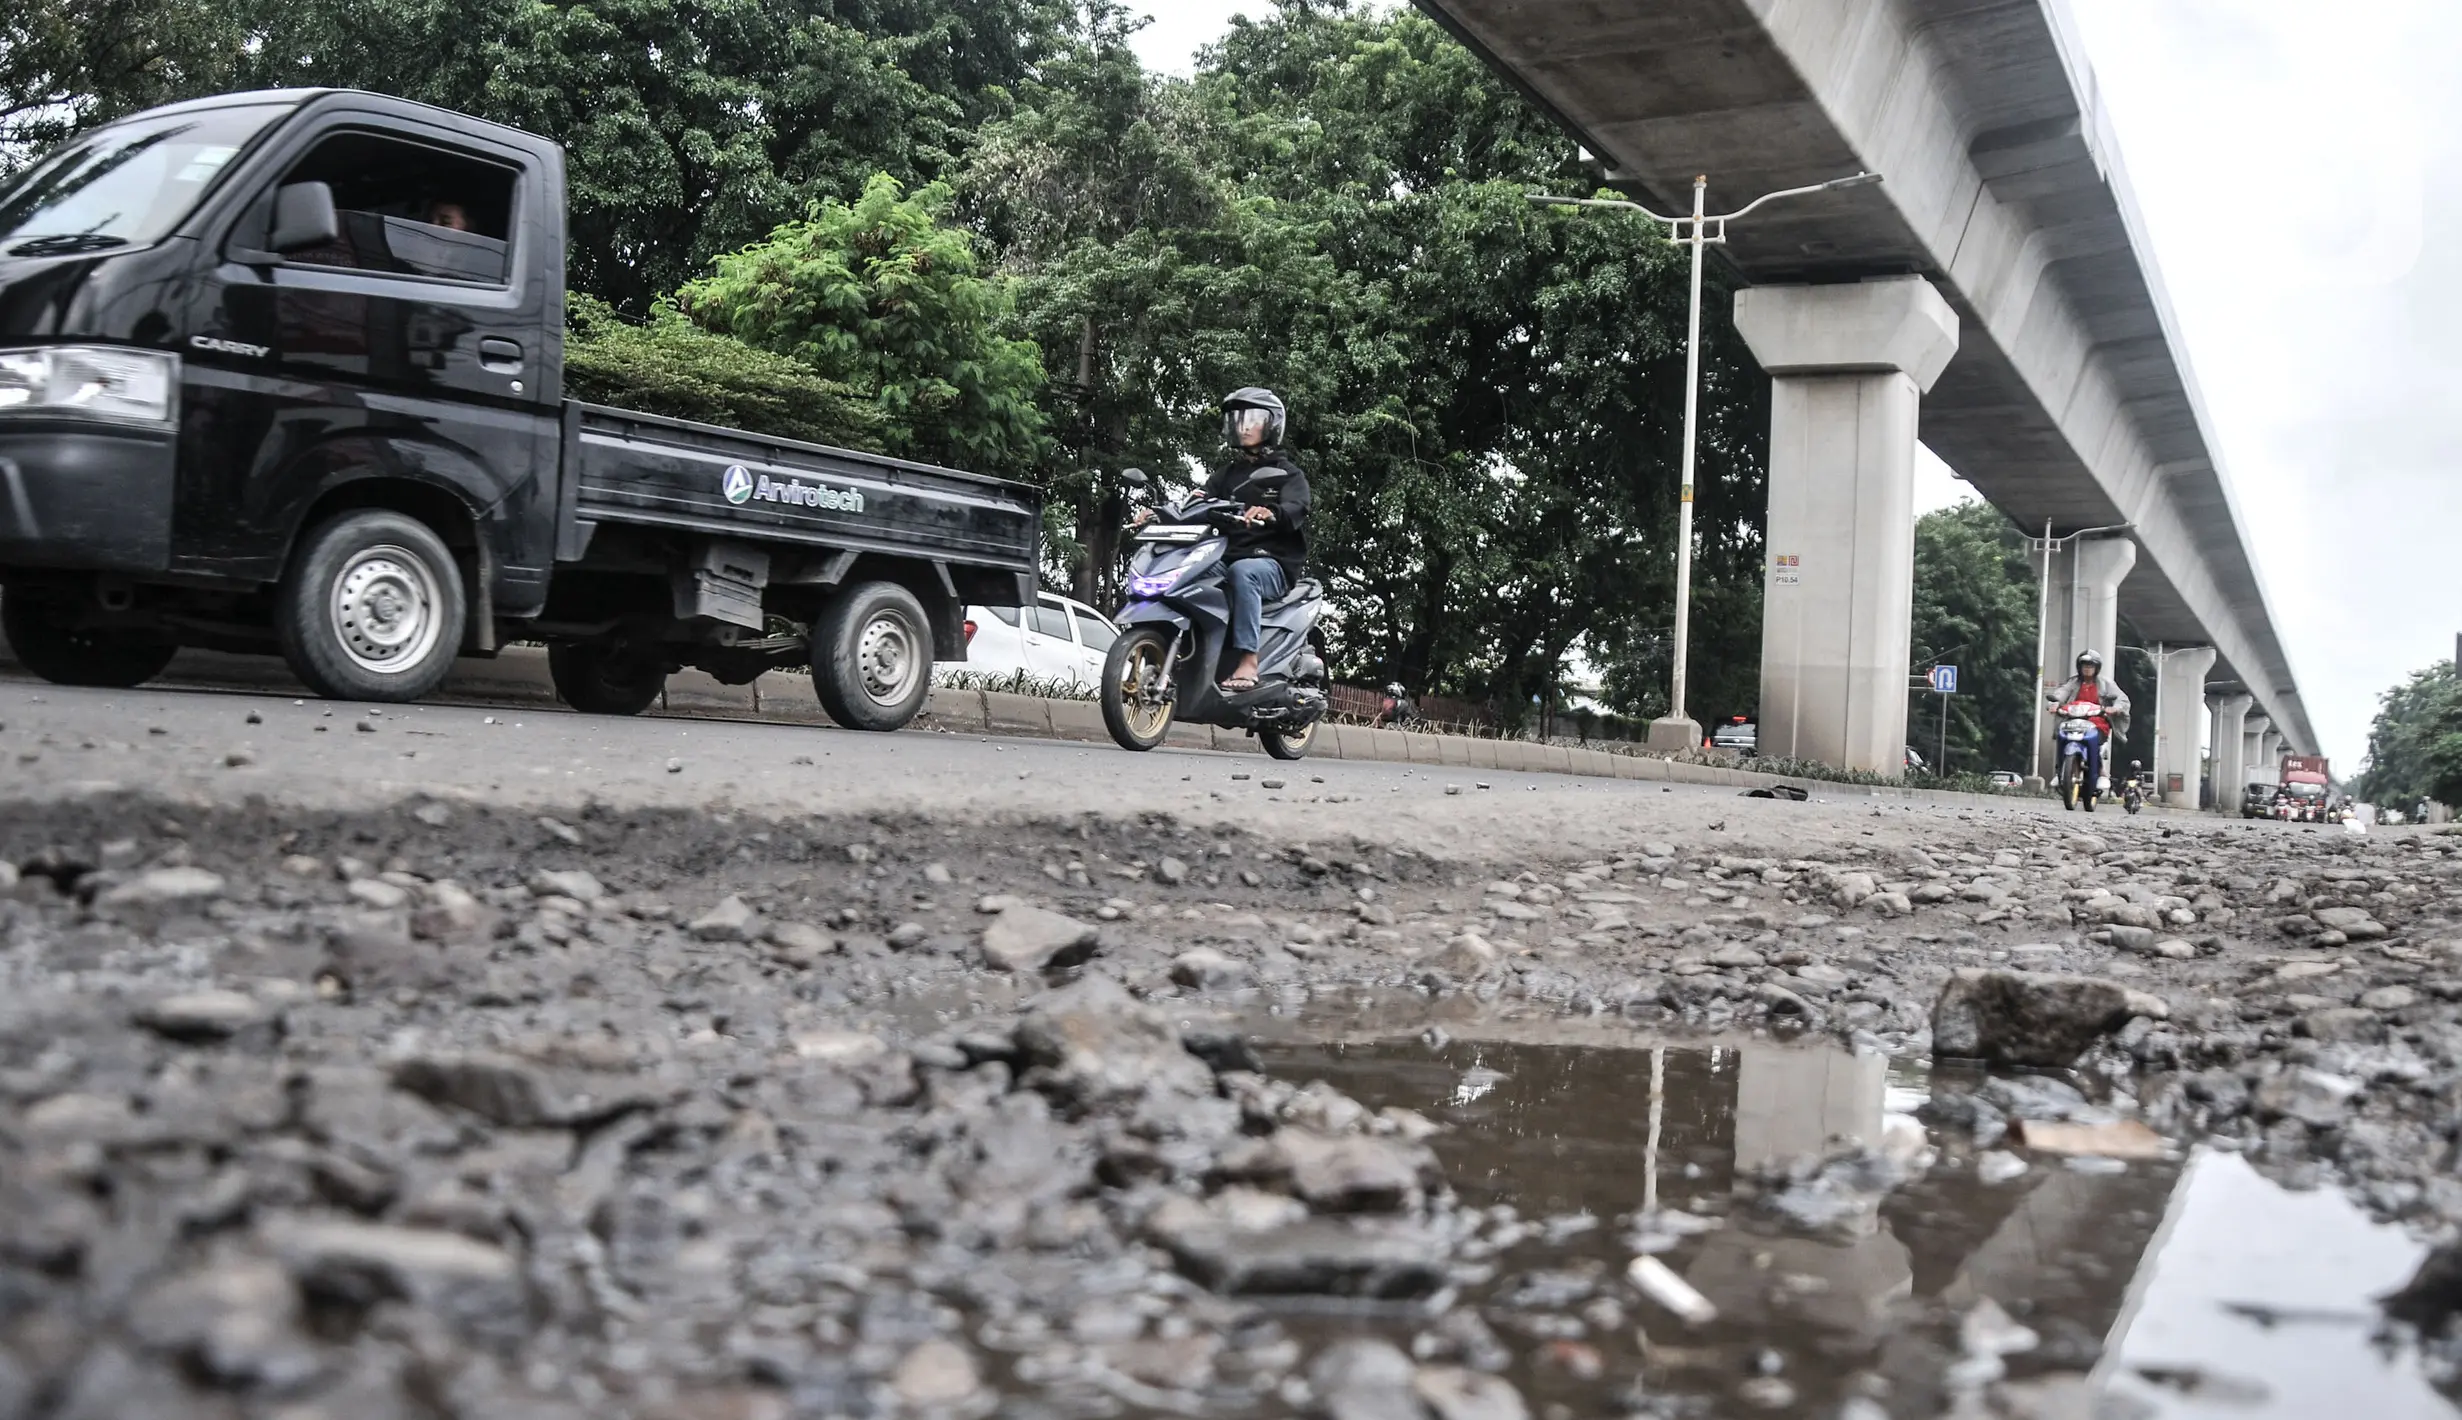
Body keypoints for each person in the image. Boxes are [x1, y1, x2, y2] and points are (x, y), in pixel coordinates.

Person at [1135, 387, 1310, 692]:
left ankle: (1248, 661)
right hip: (1226, 557)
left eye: (1252, 419)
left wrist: (1270, 513)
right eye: (1238, 418)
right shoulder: (1227, 474)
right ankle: (1186, 656)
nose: (1243, 426)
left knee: (1243, 573)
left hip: (1271, 563)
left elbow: (1297, 508)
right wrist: (1157, 514)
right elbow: (1195, 504)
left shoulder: (1288, 475)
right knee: (1184, 575)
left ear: (1272, 425)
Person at [2044, 649, 2130, 798]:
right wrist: (2055, 703)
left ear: (2097, 668)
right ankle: (2060, 770)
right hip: (2072, 719)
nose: (2087, 668)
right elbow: (2061, 692)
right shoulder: (2073, 682)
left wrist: (2115, 708)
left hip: (2096, 720)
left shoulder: (2105, 683)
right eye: (2084, 665)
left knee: (2094, 739)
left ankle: (2101, 770)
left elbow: (2121, 698)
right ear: (2079, 667)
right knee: (2061, 735)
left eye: (2091, 665)